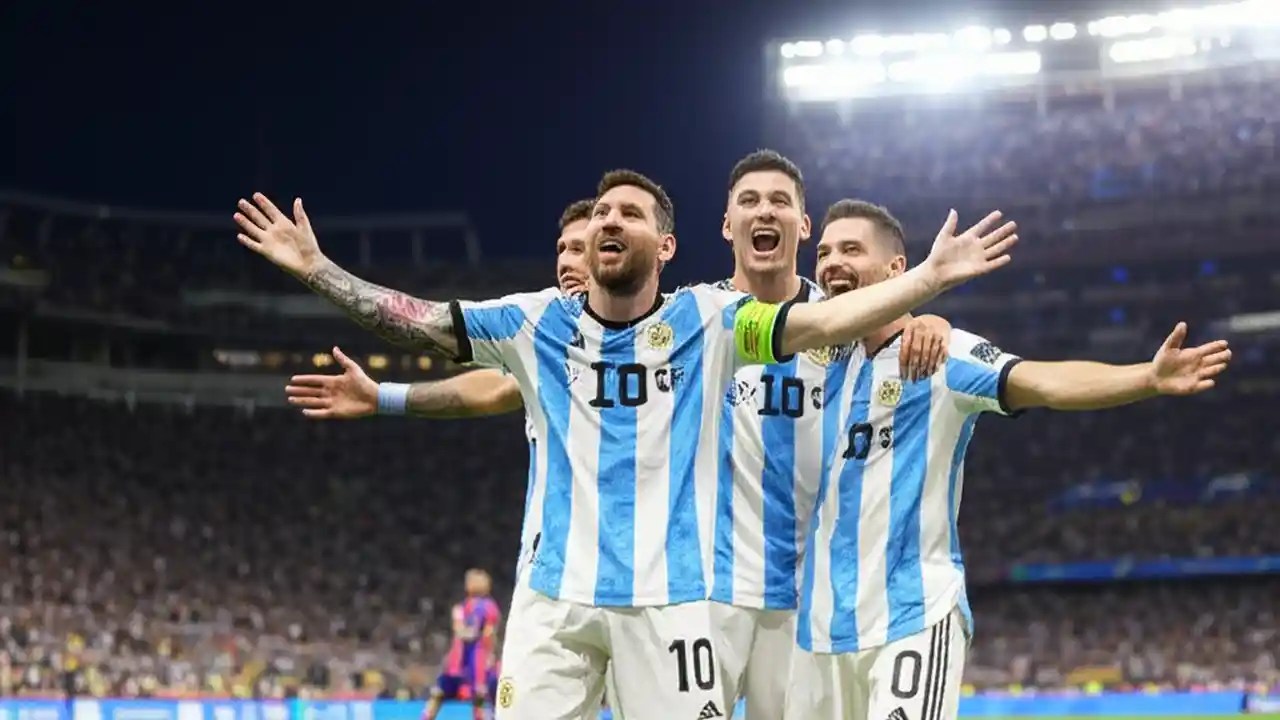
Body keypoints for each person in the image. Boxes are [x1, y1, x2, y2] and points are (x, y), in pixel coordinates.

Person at [232, 170, 1017, 719]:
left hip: (676, 604)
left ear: (667, 246)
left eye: (630, 213)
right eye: (601, 212)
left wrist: (924, 295)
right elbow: (428, 325)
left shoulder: (708, 321)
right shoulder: (536, 323)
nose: (609, 221)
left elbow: (821, 323)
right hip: (553, 594)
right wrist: (319, 271)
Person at [785, 199, 1233, 720]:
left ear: (896, 269)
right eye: (823, 251)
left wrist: (1145, 377)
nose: (830, 261)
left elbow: (1043, 382)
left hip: (911, 615)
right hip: (817, 631)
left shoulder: (941, 357)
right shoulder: (812, 360)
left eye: (850, 249)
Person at [708, 150, 950, 720]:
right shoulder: (699, 317)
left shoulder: (843, 315)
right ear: (726, 225)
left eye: (779, 202)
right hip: (709, 584)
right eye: (749, 201)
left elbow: (894, 333)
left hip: (808, 595)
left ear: (803, 224)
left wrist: (929, 321)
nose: (764, 212)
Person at [424, 569, 502, 720]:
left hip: (475, 659)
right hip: (463, 660)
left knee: (477, 697)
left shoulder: (482, 607)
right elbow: (485, 633)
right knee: (443, 693)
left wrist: (486, 651)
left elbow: (486, 634)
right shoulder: (468, 607)